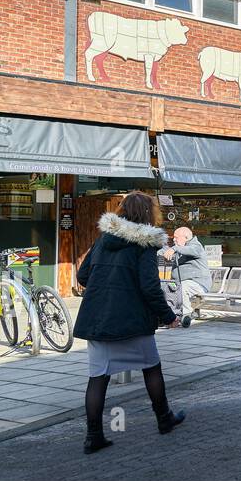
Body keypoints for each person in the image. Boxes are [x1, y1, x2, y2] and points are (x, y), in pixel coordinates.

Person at [73, 192, 185, 455]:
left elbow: (83, 274)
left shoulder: (104, 239)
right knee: (151, 368)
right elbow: (149, 287)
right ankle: (164, 418)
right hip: (132, 320)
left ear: (121, 211)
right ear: (149, 213)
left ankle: (93, 436)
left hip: (99, 319)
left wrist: (106, 289)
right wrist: (169, 316)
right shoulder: (144, 243)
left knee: (98, 378)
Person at [160, 226, 209, 325]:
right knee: (165, 287)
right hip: (180, 282)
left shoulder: (196, 246)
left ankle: (186, 315)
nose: (174, 239)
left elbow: (189, 250)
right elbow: (166, 251)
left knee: (182, 287)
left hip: (198, 283)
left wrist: (174, 249)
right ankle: (167, 315)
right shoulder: (179, 248)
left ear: (186, 237)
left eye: (176, 237)